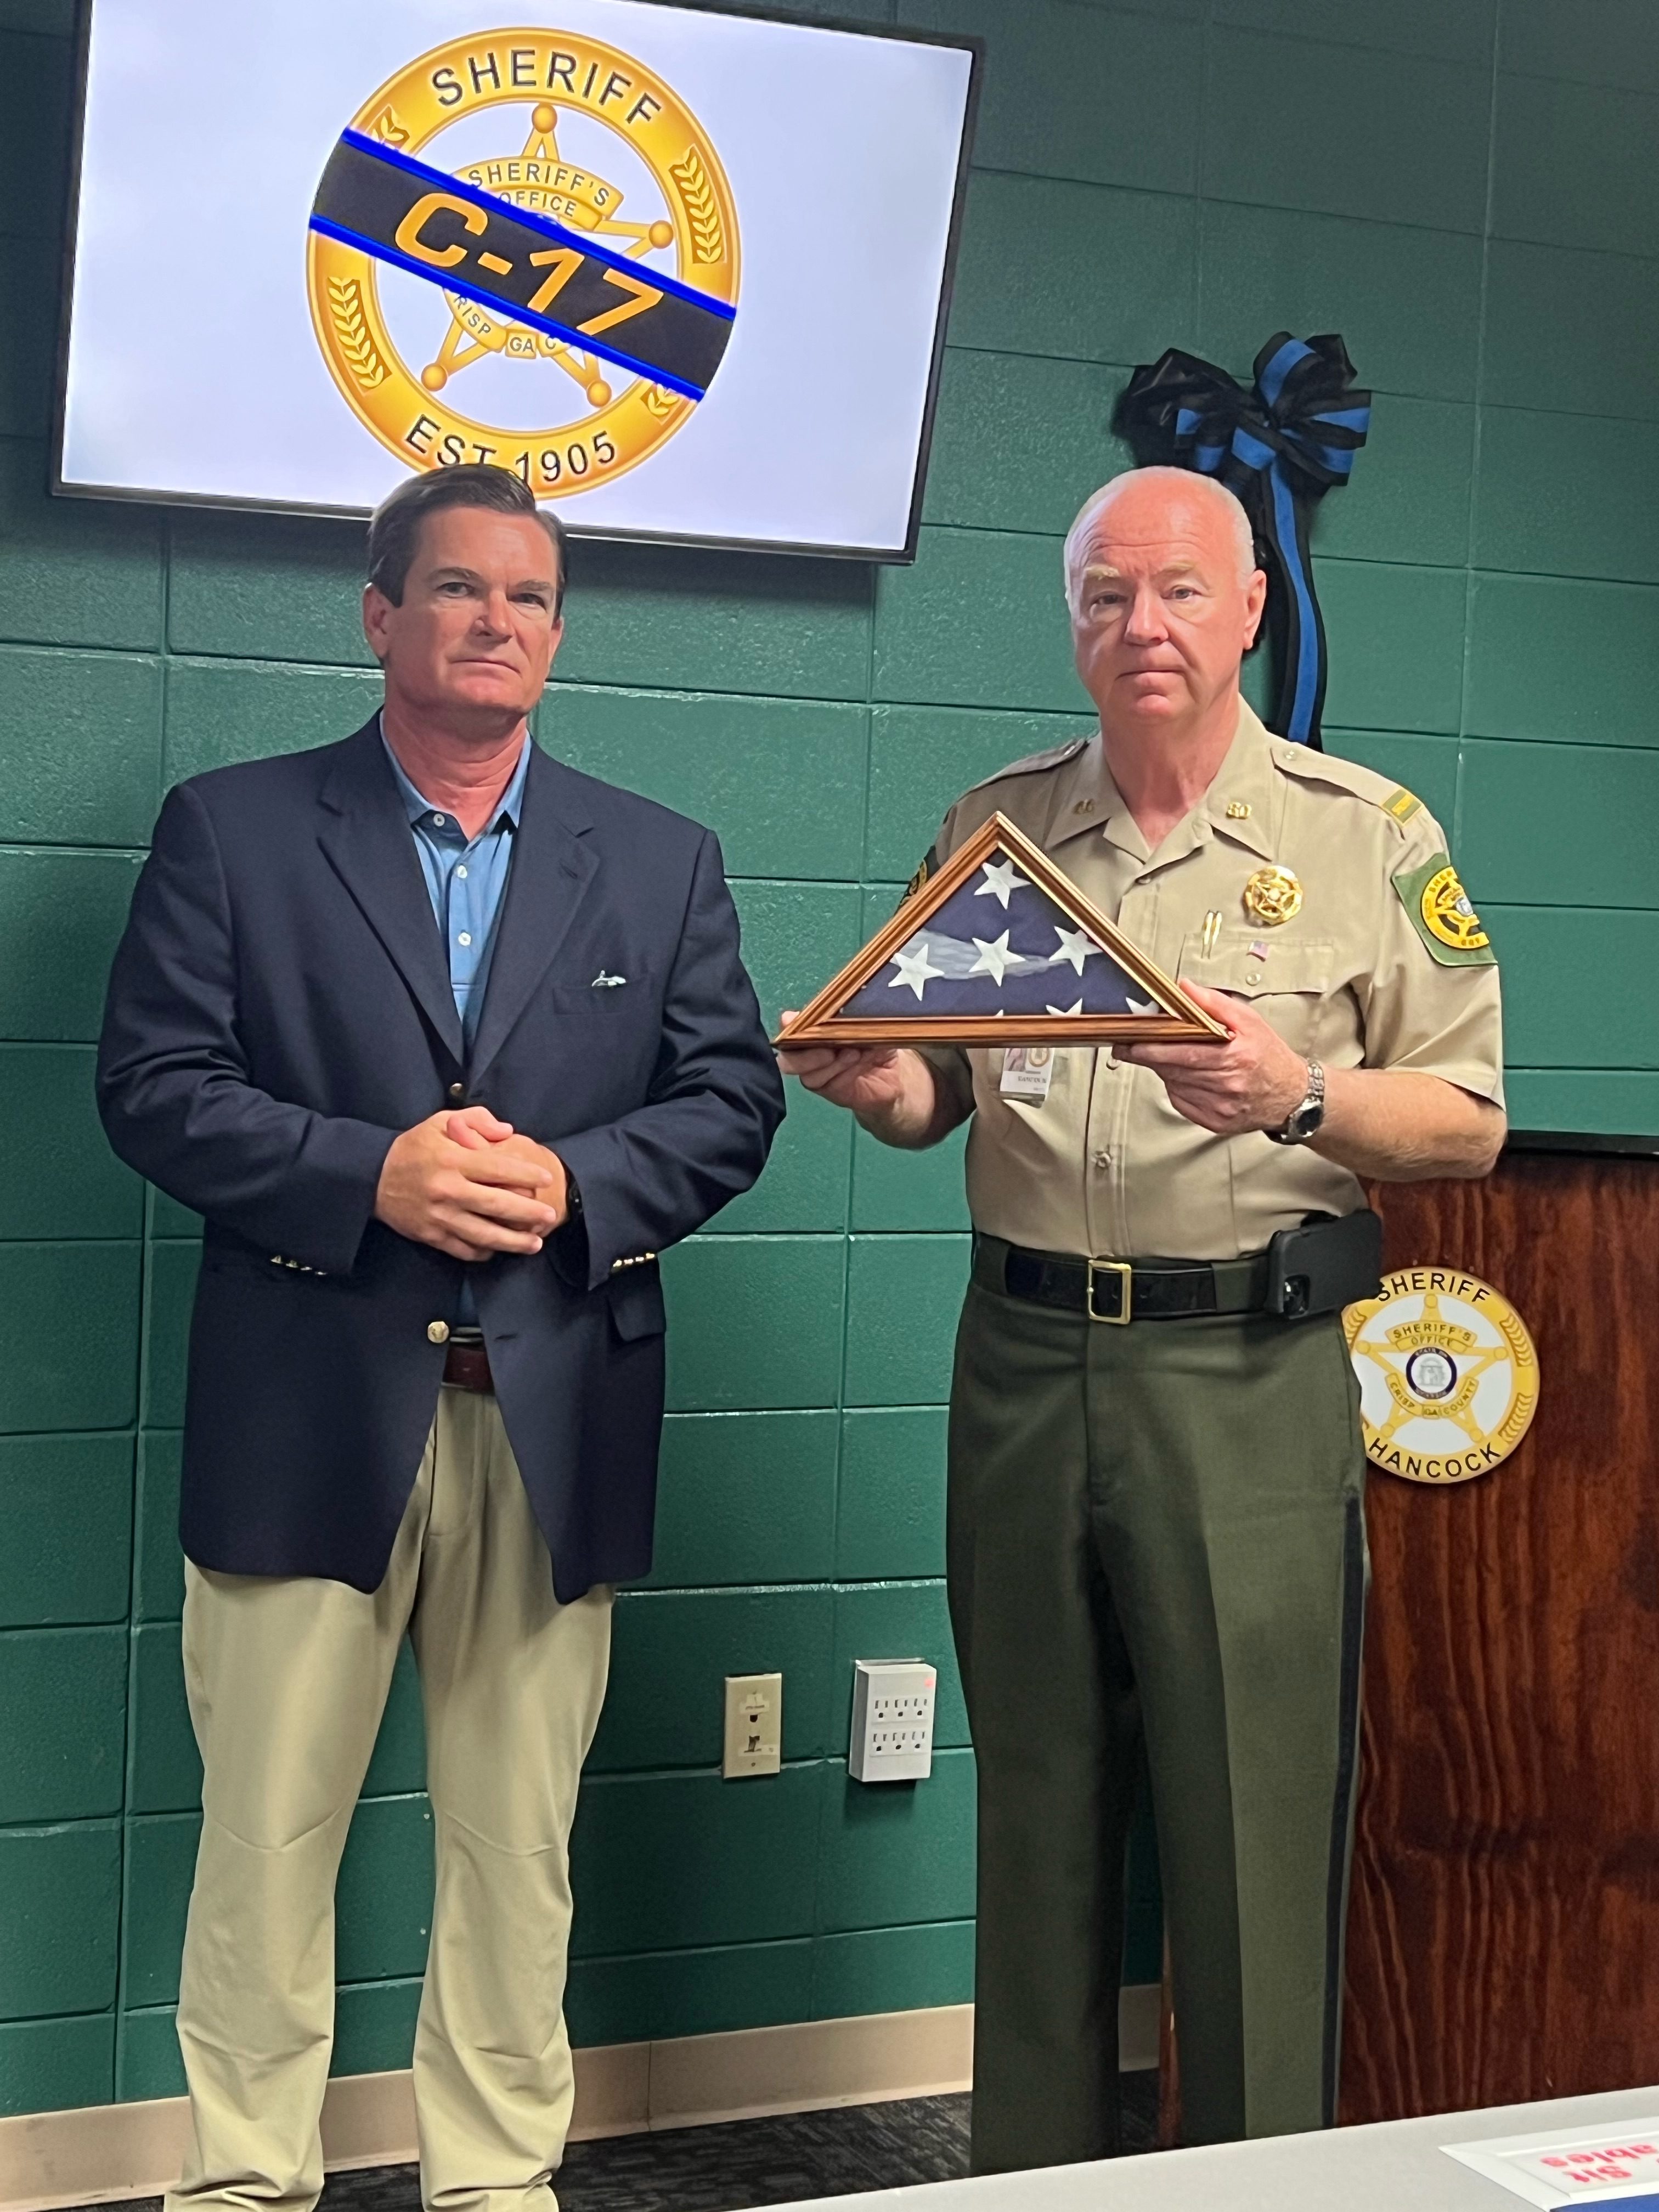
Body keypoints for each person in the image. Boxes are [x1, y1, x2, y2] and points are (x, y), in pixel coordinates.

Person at [780, 465, 1504, 2168]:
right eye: (1107, 597)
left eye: (1179, 592)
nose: (1142, 627)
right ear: (1075, 624)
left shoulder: (1365, 834)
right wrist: (874, 1081)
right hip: (1025, 1365)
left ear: (1251, 610)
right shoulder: (997, 833)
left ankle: (1260, 2195)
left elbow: (1468, 1121)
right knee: (1035, 1816)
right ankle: (1026, 2186)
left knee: (1249, 1832)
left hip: (1244, 1373)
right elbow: (930, 1109)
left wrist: (1302, 1092)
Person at [98, 463, 784, 2211]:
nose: (498, 624)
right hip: (308, 1414)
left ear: (559, 635)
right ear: (381, 615)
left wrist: (573, 1184)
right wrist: (369, 1174)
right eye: (461, 590)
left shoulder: (657, 856)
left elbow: (730, 1098)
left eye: (532, 599)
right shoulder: (234, 829)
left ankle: (492, 2182)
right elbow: (156, 1091)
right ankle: (246, 2181)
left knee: (517, 1849)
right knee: (264, 1844)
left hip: (552, 1417)